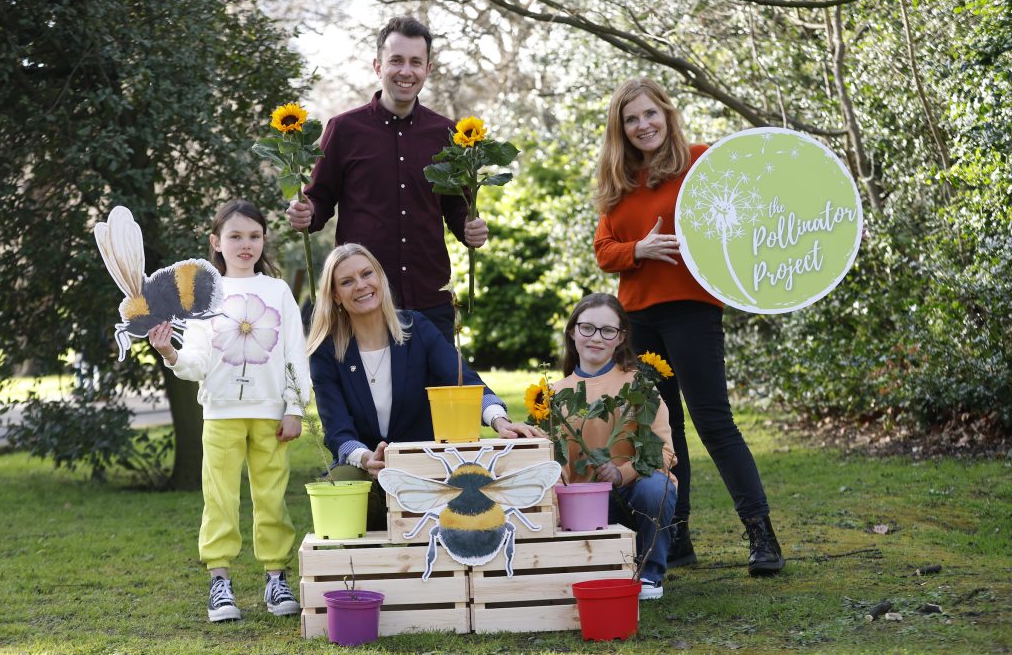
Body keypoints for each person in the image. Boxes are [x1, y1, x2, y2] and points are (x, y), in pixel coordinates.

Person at [592, 76, 785, 576]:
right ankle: (677, 538)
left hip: (693, 311)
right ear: (621, 128)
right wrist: (639, 250)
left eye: (650, 114)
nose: (642, 125)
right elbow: (604, 252)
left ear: (667, 114)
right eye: (631, 119)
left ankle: (762, 536)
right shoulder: (616, 180)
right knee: (665, 430)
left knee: (714, 423)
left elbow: (748, 211)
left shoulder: (700, 162)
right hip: (639, 318)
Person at [148, 200, 310, 622]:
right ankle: (220, 581)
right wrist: (169, 352)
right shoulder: (206, 294)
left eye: (254, 236)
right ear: (215, 242)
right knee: (219, 498)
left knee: (271, 497)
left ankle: (276, 577)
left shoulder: (277, 292)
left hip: (272, 415)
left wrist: (295, 407)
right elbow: (197, 361)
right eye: (235, 236)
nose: (246, 244)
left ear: (264, 240)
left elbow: (295, 352)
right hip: (220, 414)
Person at [306, 243, 536, 528]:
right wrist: (367, 459)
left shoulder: (418, 327)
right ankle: (362, 567)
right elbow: (337, 430)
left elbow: (462, 380)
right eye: (347, 281)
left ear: (380, 278)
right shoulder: (325, 352)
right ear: (336, 296)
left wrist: (499, 420)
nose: (361, 285)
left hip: (426, 469)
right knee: (339, 485)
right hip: (367, 472)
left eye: (367, 274)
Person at [289, 16, 489, 342]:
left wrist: (471, 228)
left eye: (415, 62)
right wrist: (305, 212)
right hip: (362, 300)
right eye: (396, 60)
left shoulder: (448, 133)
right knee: (368, 394)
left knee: (436, 393)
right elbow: (319, 200)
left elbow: (457, 206)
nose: (406, 71)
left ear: (428, 68)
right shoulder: (343, 130)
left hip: (430, 300)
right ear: (378, 66)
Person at [550, 293, 678, 600]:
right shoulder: (553, 395)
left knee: (655, 486)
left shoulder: (639, 386)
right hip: (582, 509)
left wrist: (621, 473)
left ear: (620, 338)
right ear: (572, 331)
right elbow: (552, 464)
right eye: (587, 328)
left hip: (630, 497)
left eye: (608, 331)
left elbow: (664, 453)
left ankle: (649, 573)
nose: (596, 338)